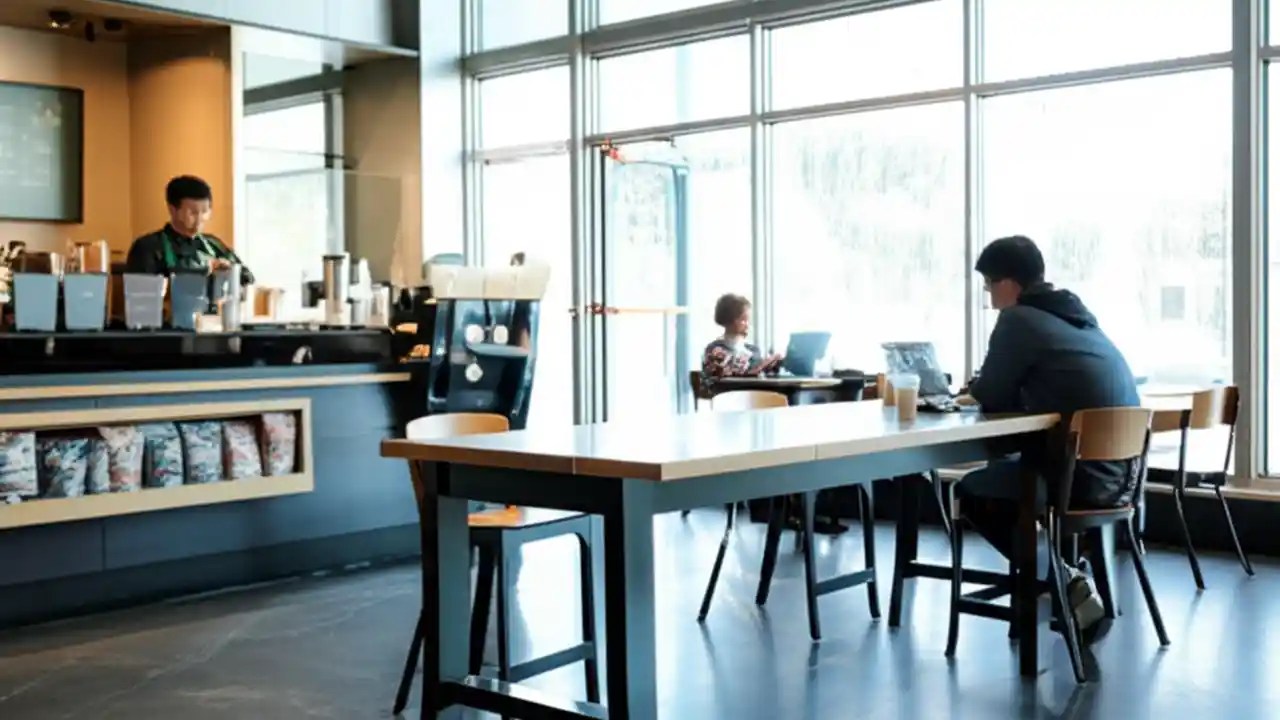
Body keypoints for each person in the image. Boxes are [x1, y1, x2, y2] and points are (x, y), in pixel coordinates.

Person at [958, 235, 1140, 643]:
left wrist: (978, 386)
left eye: (989, 285)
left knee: (972, 491)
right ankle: (1065, 578)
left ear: (1008, 283)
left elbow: (993, 394)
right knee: (1010, 473)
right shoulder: (1080, 319)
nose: (989, 298)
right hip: (1120, 478)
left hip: (1076, 480)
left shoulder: (1018, 320)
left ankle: (1063, 579)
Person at [126, 176, 253, 285]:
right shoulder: (148, 247)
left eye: (205, 211)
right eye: (193, 212)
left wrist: (231, 270)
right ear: (172, 210)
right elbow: (143, 292)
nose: (200, 218)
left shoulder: (214, 245)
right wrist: (204, 271)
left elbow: (248, 278)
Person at [700, 293, 781, 395]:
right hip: (727, 396)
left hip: (754, 395)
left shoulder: (754, 350)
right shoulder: (714, 349)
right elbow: (715, 381)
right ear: (729, 320)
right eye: (743, 320)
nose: (747, 325)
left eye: (747, 320)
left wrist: (770, 367)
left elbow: (759, 378)